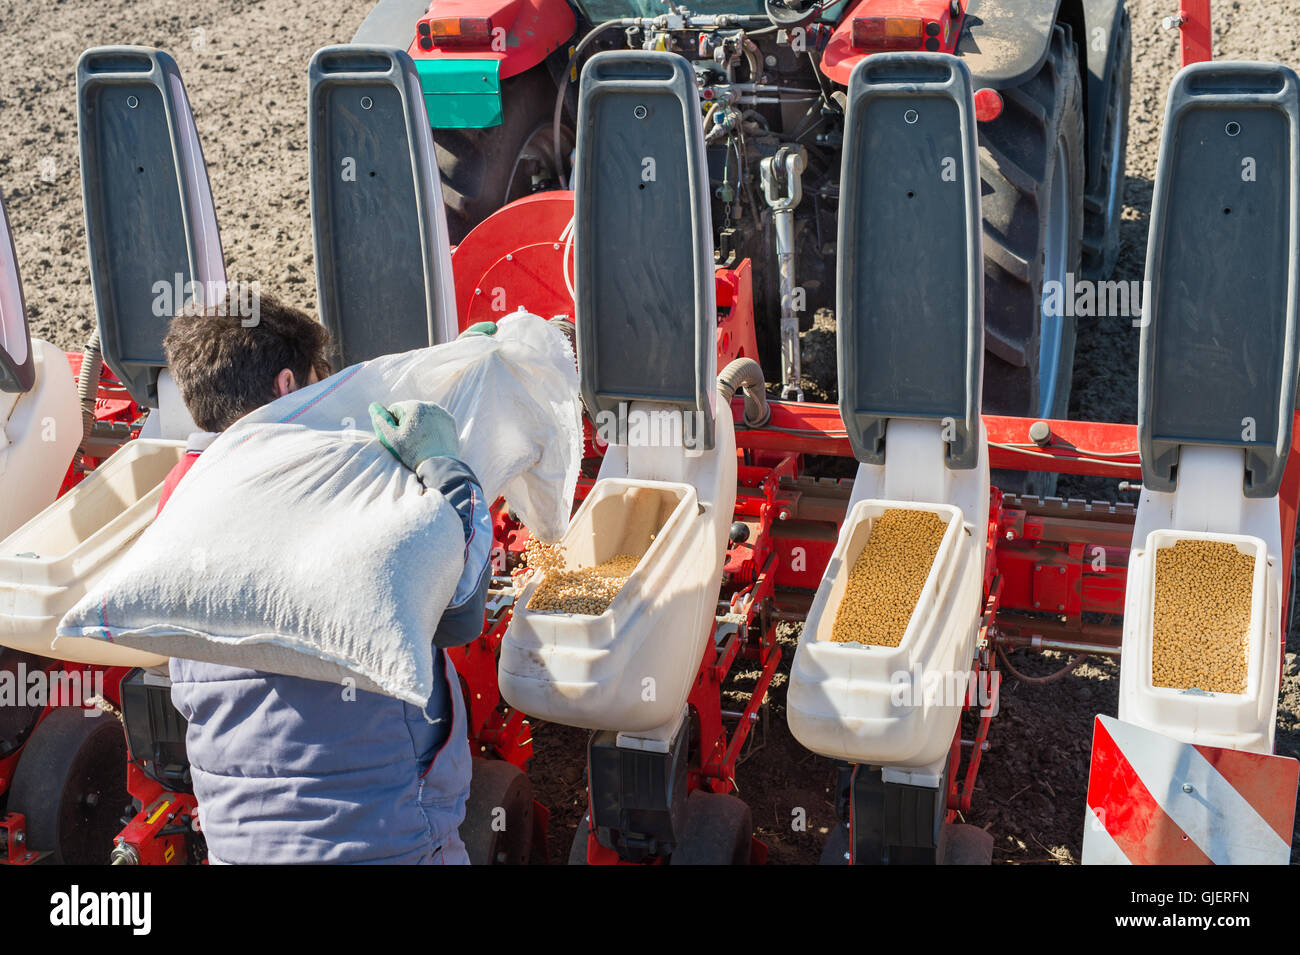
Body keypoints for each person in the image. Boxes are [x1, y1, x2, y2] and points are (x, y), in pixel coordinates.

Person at [157, 295, 493, 864]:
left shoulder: (177, 505)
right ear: (289, 385)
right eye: (321, 380)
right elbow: (459, 604)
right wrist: (445, 468)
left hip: (237, 845)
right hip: (384, 839)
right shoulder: (335, 492)